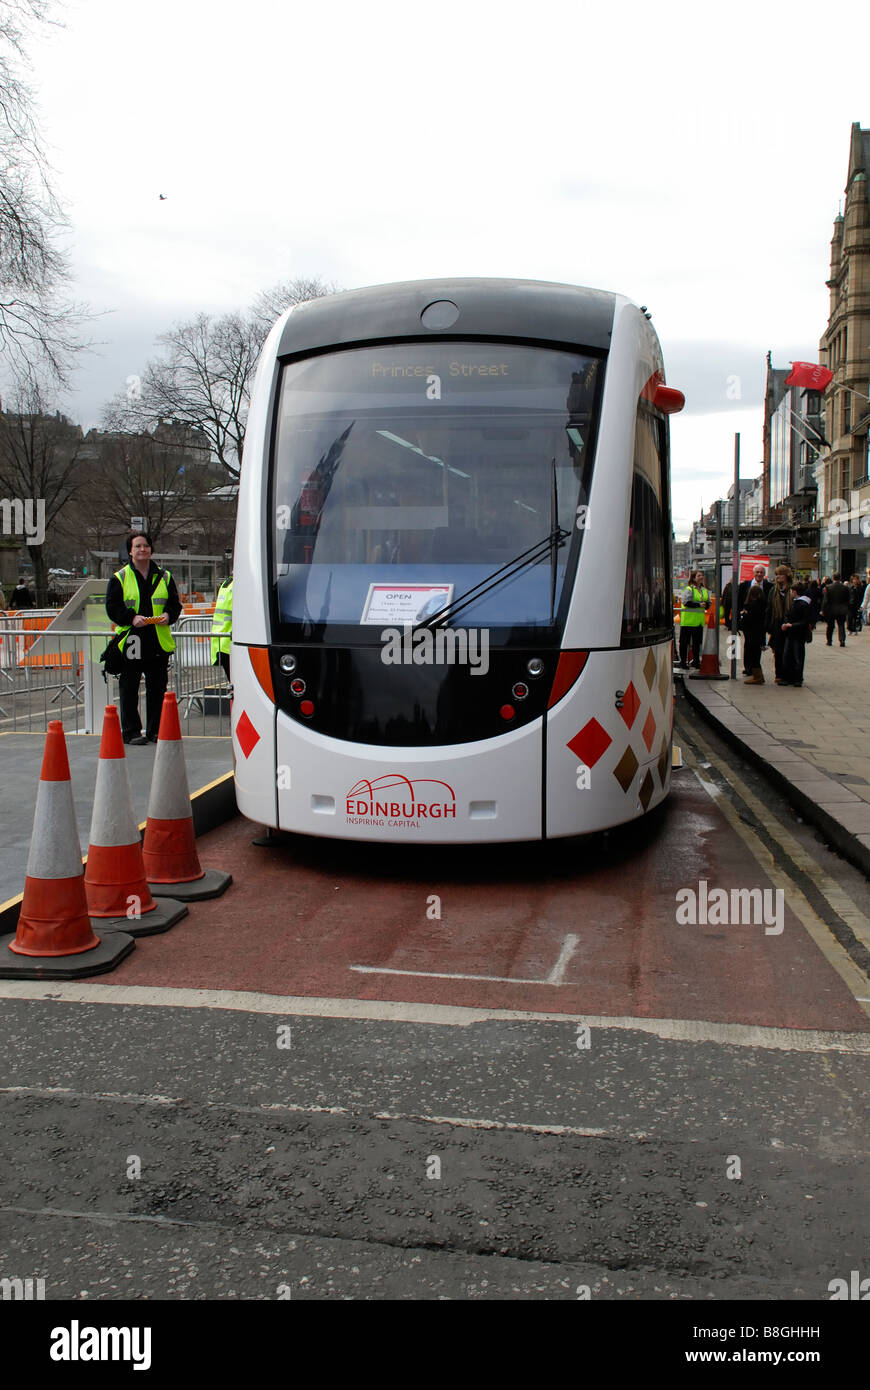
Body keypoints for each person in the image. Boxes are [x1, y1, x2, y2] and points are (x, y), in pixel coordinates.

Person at [105, 532, 181, 744]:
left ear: (151, 549)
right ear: (130, 551)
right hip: (132, 639)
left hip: (157, 638)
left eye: (146, 546)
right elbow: (112, 608)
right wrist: (131, 618)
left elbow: (175, 604)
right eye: (138, 546)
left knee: (157, 688)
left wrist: (168, 615)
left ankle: (155, 730)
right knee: (129, 687)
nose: (142, 549)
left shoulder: (164, 576)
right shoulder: (120, 578)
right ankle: (131, 732)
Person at [738, 563, 771, 683]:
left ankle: (757, 674)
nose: (759, 574)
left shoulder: (768, 587)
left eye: (761, 572)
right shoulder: (744, 585)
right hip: (749, 626)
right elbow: (738, 601)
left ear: (764, 574)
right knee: (749, 646)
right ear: (753, 573)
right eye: (757, 572)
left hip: (758, 624)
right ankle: (749, 669)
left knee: (755, 647)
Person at [780, 582, 813, 686]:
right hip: (794, 634)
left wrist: (790, 625)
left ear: (794, 591)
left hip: (797, 634)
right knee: (791, 656)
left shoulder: (801, 604)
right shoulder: (798, 602)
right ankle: (792, 678)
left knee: (795, 656)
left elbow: (804, 621)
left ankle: (795, 678)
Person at [765, 566, 794, 684]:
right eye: (776, 575)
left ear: (787, 575)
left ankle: (788, 674)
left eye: (780, 574)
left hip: (790, 624)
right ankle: (779, 674)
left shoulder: (792, 590)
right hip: (777, 625)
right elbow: (769, 609)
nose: (778, 577)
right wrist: (768, 626)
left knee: (789, 651)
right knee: (778, 651)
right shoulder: (774, 591)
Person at [679, 570, 709, 670]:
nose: (701, 577)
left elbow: (708, 602)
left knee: (697, 643)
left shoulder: (704, 590)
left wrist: (707, 605)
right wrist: (699, 605)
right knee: (685, 643)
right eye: (699, 575)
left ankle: (696, 662)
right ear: (693, 578)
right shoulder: (689, 589)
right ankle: (683, 662)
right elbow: (686, 602)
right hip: (688, 621)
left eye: (702, 575)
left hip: (699, 622)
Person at [210, 573, 233, 683]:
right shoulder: (238, 586)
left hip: (222, 642)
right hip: (231, 643)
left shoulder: (227, 584)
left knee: (234, 686)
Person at [821, 572, 849, 647]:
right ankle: (842, 640)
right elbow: (848, 599)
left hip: (831, 609)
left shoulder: (828, 587)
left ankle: (829, 641)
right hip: (842, 609)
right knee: (841, 625)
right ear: (840, 578)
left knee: (830, 626)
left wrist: (823, 610)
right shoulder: (845, 587)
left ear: (833, 578)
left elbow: (825, 600)